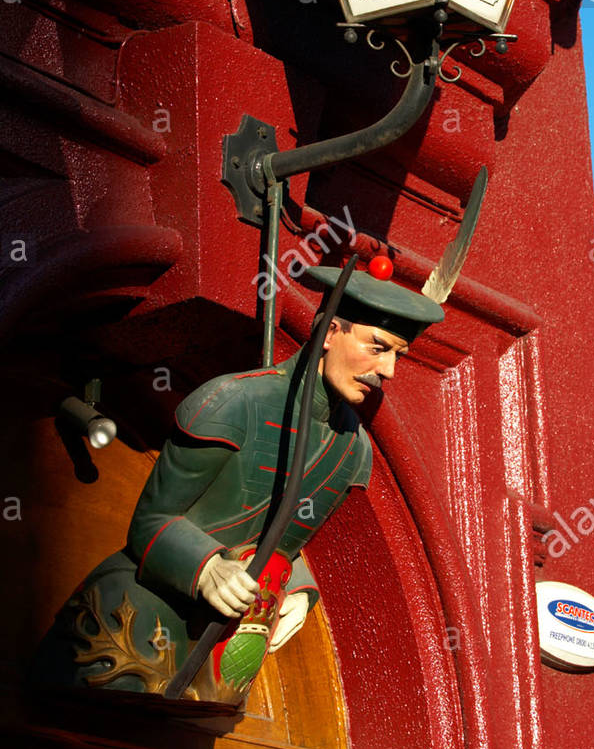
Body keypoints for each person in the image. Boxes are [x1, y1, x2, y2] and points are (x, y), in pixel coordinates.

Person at [32, 266, 444, 707]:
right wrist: (208, 567)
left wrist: (300, 589)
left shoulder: (354, 452)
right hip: (136, 614)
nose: (389, 370)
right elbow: (151, 522)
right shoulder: (233, 402)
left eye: (397, 355)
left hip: (227, 642)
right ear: (328, 332)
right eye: (378, 348)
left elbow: (282, 535)